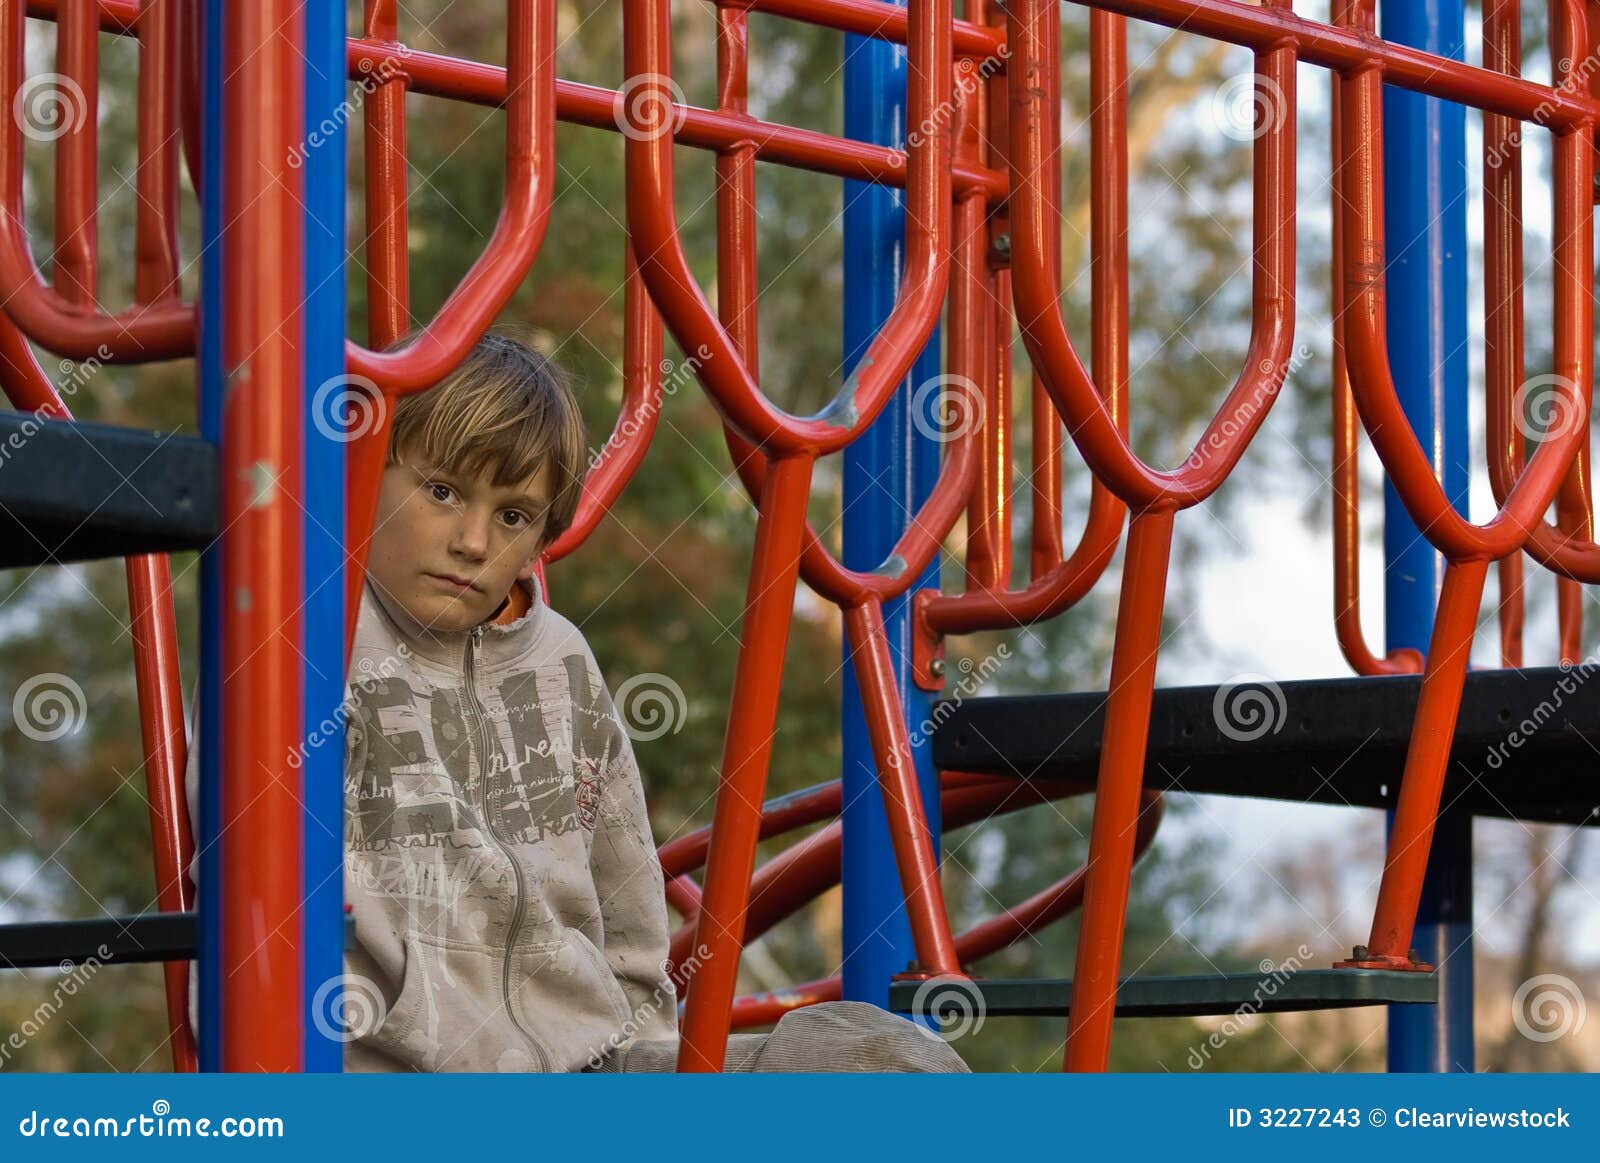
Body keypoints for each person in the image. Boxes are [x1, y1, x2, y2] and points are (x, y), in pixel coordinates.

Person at [185, 331, 969, 1073]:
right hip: (392, 1068)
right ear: (367, 471)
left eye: (513, 515)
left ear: (542, 535)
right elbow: (240, 857)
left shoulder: (561, 660)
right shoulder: (311, 636)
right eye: (442, 490)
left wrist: (651, 1050)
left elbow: (623, 887)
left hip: (591, 1061)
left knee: (882, 1060)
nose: (472, 541)